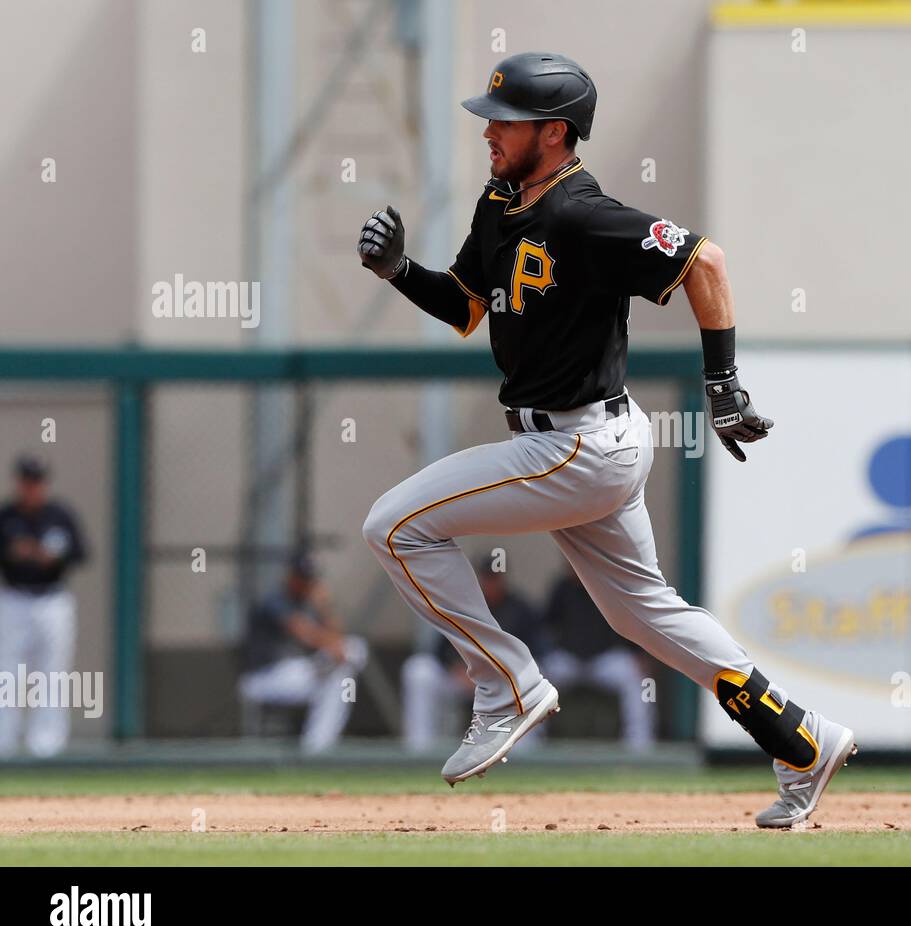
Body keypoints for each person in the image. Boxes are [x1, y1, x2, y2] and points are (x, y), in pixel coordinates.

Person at [359, 52, 856, 828]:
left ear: (554, 133)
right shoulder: (503, 199)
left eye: (507, 122)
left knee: (392, 525)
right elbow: (464, 308)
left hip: (574, 446)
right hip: (583, 445)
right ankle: (801, 739)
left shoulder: (583, 215)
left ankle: (508, 685)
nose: (488, 133)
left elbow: (706, 260)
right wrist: (399, 272)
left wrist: (722, 386)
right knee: (645, 613)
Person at [402, 555, 550, 751]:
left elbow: (537, 650)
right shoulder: (461, 605)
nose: (490, 584)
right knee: (419, 670)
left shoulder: (519, 608)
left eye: (494, 578)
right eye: (486, 578)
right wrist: (458, 669)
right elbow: (439, 651)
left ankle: (525, 750)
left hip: (504, 683)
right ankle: (419, 747)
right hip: (463, 678)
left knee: (537, 675)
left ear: (503, 579)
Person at [0, 455, 88, 757]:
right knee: (7, 672)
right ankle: (4, 743)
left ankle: (46, 746)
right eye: (26, 481)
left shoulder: (59, 515)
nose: (31, 487)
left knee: (52, 671)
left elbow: (80, 552)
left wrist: (51, 557)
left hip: (53, 599)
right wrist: (16, 552)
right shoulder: (7, 516)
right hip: (14, 598)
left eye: (36, 481)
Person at [238, 552, 368, 754]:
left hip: (295, 674)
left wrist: (326, 609)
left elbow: (338, 642)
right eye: (302, 578)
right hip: (262, 678)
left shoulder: (306, 602)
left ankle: (317, 749)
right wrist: (335, 647)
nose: (307, 583)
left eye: (310, 578)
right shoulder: (274, 600)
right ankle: (317, 751)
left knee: (350, 658)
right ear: (290, 576)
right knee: (344, 665)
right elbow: (305, 633)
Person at [543, 562, 653, 751]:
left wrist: (638, 653)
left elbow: (631, 622)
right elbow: (545, 626)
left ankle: (639, 745)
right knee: (534, 677)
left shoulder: (607, 586)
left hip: (605, 660)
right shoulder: (562, 588)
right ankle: (527, 744)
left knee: (638, 679)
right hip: (569, 661)